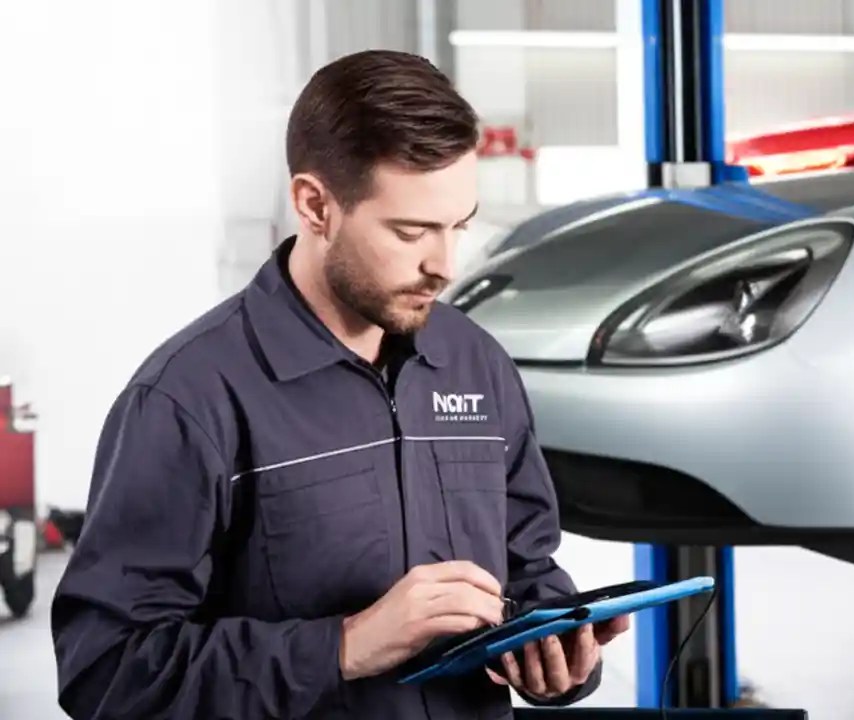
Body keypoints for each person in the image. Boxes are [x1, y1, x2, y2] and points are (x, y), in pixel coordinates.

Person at [49, 49, 628, 719]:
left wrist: (557, 654)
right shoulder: (191, 399)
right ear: (315, 204)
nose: (444, 264)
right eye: (411, 231)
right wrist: (345, 646)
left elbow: (527, 573)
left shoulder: (475, 363)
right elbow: (107, 670)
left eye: (458, 227)